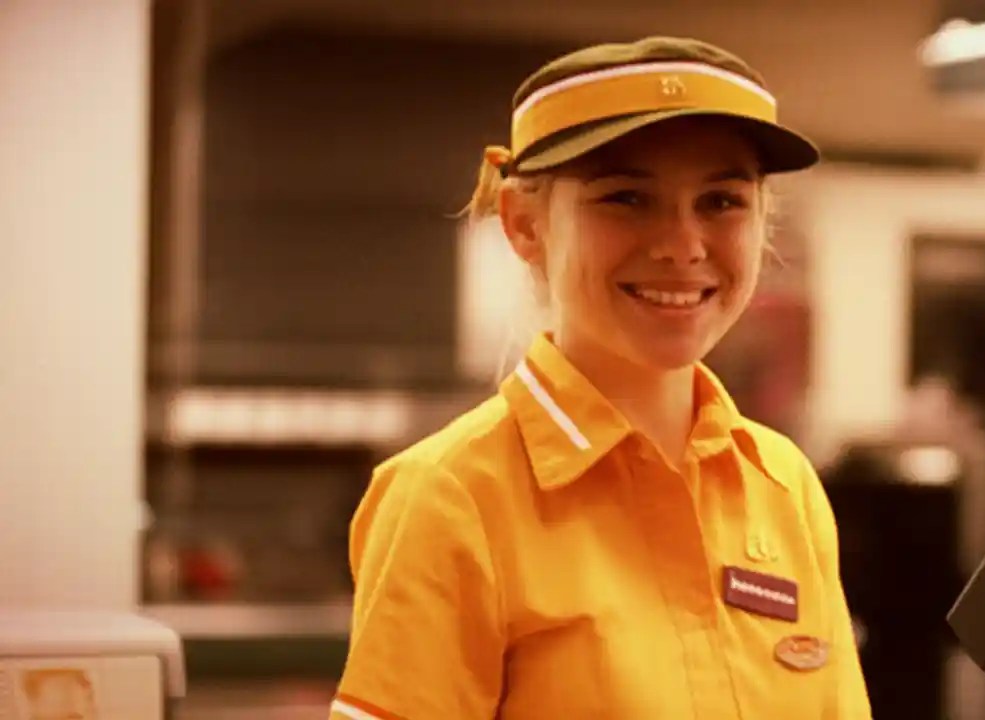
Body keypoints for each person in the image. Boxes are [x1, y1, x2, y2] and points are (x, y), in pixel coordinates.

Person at [330, 36, 874, 720]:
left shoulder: (781, 484)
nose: (682, 244)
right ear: (525, 224)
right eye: (626, 198)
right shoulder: (450, 497)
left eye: (721, 201)